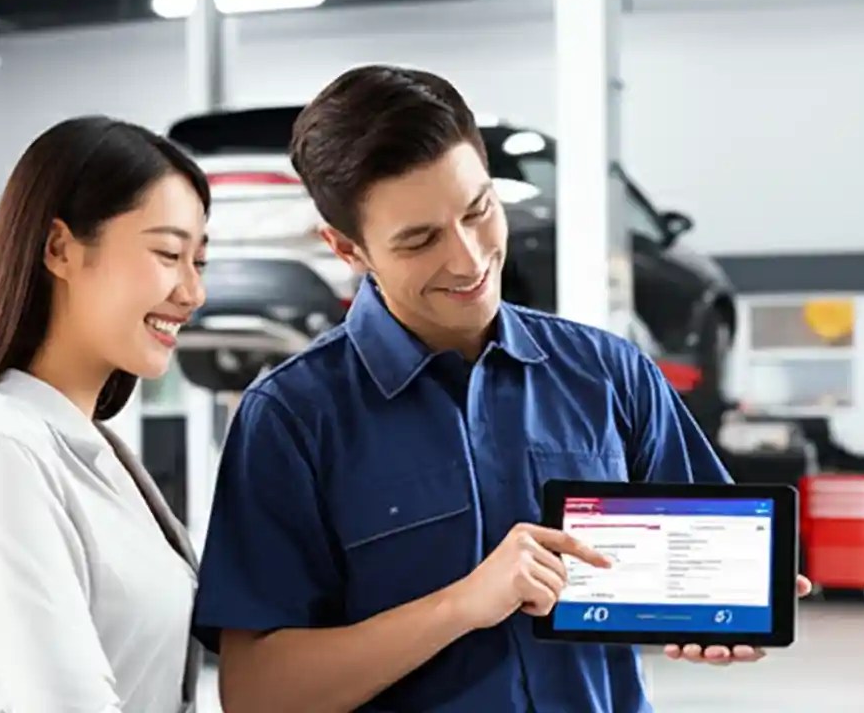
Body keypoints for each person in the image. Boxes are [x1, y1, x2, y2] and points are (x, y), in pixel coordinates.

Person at [191, 65, 810, 713]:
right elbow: (258, 694)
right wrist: (463, 604)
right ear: (348, 248)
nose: (468, 259)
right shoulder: (293, 419)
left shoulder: (610, 375)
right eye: (420, 239)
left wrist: (722, 607)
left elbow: (711, 555)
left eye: (478, 210)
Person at [0, 116, 211, 713]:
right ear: (60, 249)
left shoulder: (95, 451)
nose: (192, 291)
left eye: (198, 261)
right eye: (168, 253)